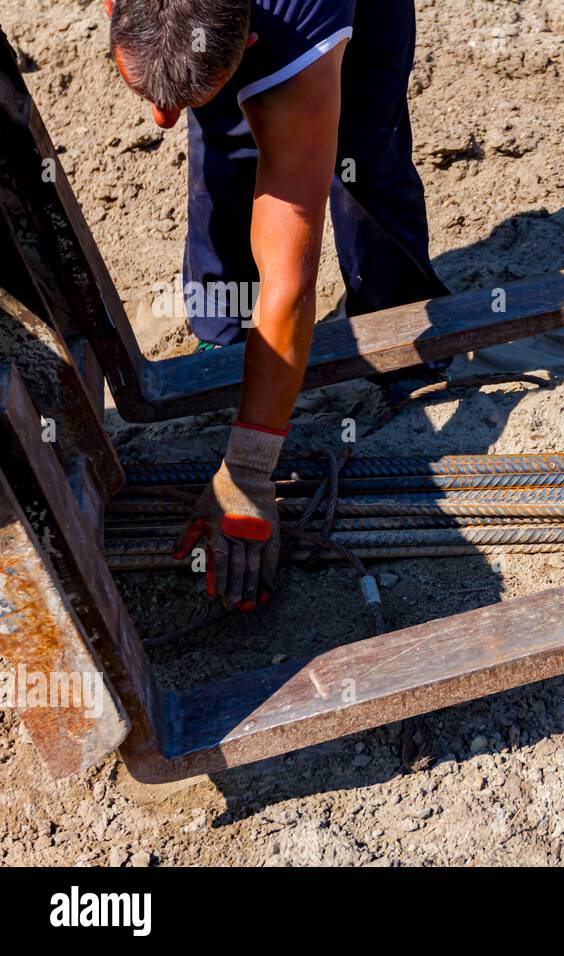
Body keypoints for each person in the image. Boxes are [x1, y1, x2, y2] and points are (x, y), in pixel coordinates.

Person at [107, 0, 449, 611]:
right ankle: (226, 334)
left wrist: (250, 466)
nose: (159, 124)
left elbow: (290, 279)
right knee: (224, 145)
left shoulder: (302, 47)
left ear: (253, 35)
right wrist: (178, 89)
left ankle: (399, 341)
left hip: (318, 20)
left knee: (363, 153)